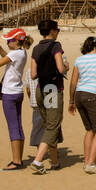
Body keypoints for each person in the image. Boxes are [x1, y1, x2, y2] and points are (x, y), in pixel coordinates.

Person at [0, 27, 31, 170]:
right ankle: (19, 158)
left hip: (10, 94)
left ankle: (16, 161)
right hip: (17, 92)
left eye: (9, 41)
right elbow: (7, 56)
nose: (7, 43)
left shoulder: (16, 54)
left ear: (16, 41)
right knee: (18, 125)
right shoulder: (21, 53)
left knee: (13, 126)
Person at [68, 36, 96, 174]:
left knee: (89, 130)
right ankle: (91, 163)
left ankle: (87, 160)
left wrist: (71, 101)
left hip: (79, 95)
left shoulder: (79, 60)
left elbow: (73, 82)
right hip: (92, 95)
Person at [29, 19, 67, 173]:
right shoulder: (56, 46)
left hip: (40, 88)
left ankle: (55, 161)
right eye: (57, 30)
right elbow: (60, 68)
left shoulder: (36, 48)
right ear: (52, 31)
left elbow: (33, 74)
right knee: (52, 126)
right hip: (52, 88)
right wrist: (66, 67)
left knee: (50, 125)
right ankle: (38, 161)